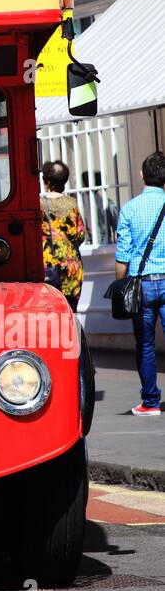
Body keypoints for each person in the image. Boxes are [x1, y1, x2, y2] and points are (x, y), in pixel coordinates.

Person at [115, 151, 165, 416]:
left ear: (142, 175)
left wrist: (120, 285)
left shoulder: (130, 208)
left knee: (144, 344)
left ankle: (151, 402)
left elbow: (123, 255)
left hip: (142, 283)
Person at [40, 160, 85, 312]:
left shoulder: (38, 204)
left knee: (50, 313)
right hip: (71, 265)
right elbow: (80, 235)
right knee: (71, 312)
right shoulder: (72, 203)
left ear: (46, 181)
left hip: (47, 266)